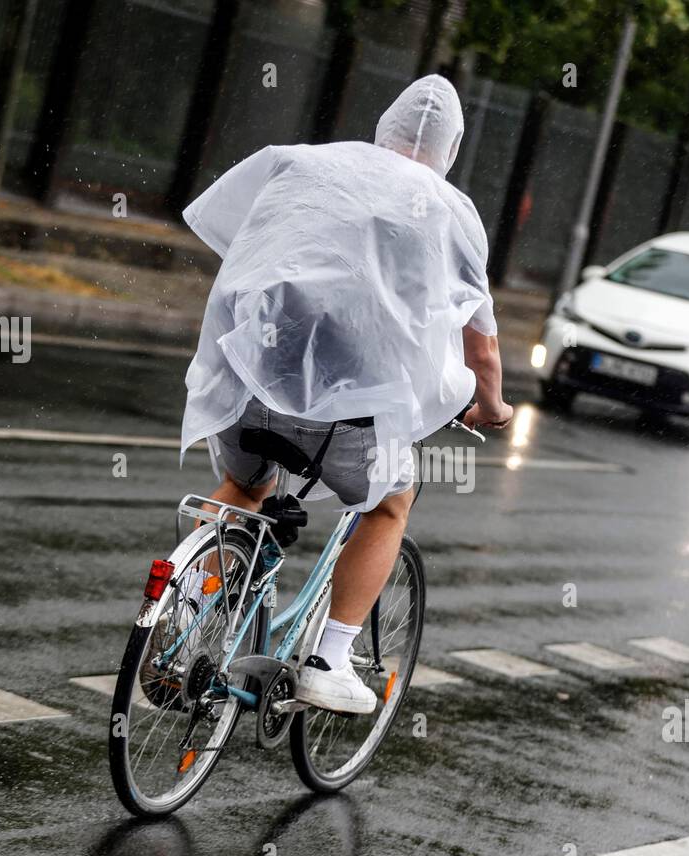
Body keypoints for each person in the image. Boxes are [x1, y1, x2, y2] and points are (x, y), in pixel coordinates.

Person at [179, 75, 513, 715]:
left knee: (248, 488)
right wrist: (491, 408)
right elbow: (482, 348)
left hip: (249, 379)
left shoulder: (304, 161)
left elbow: (242, 240)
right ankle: (330, 659)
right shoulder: (450, 212)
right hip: (350, 422)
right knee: (390, 501)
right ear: (450, 151)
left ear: (382, 128)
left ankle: (178, 619)